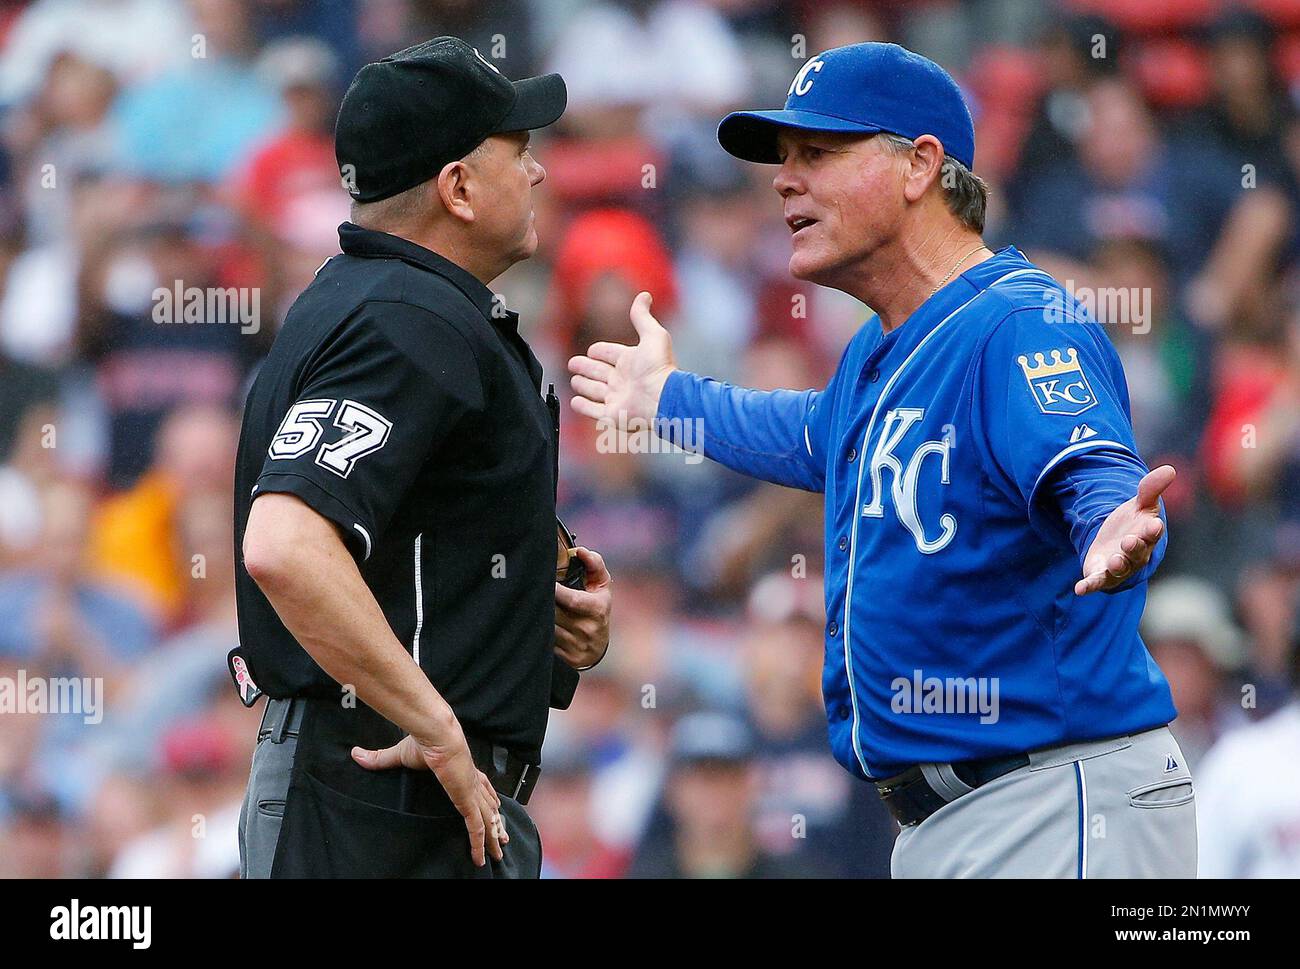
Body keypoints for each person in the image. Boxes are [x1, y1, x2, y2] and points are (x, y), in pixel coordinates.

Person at [568, 42, 1193, 878]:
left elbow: (1087, 462)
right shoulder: (883, 345)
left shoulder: (1018, 323)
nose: (785, 180)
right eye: (783, 160)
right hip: (964, 814)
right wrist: (668, 400)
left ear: (920, 166)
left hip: (1057, 796)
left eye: (818, 155)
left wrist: (1107, 520)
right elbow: (812, 435)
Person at [233, 37, 611, 878]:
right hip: (379, 796)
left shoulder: (386, 304)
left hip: (407, 798)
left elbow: (412, 545)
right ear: (459, 188)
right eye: (519, 150)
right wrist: (438, 725)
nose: (540, 172)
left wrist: (535, 618)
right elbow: (285, 545)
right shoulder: (406, 318)